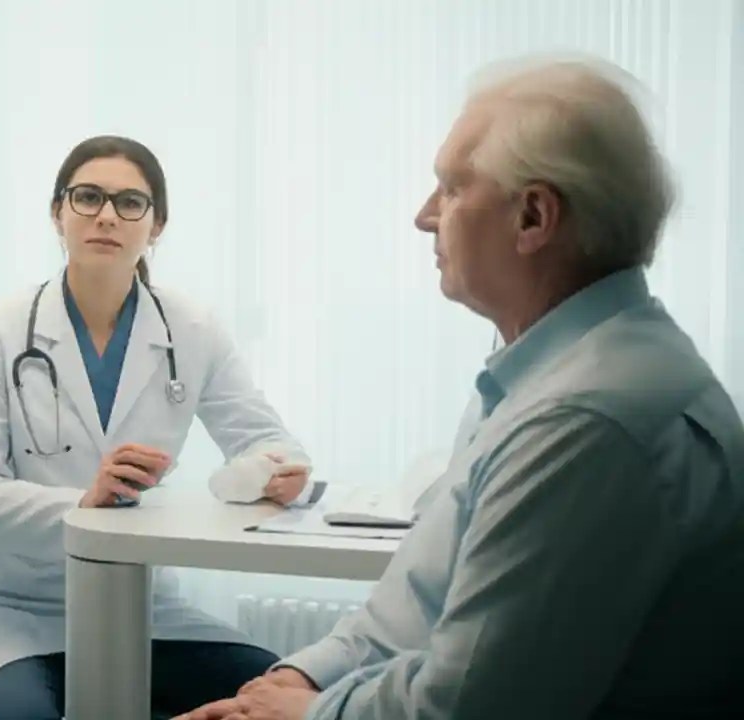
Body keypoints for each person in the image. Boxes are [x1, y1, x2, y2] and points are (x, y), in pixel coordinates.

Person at [179, 56, 744, 720]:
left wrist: (307, 714)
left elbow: (471, 706)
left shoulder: (586, 421)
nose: (424, 216)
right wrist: (301, 678)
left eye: (449, 188)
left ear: (533, 217)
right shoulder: (529, 377)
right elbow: (416, 601)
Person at [0, 135, 317, 718]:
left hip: (145, 608)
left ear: (156, 224)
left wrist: (272, 474)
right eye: (87, 197)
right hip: (8, 608)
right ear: (57, 213)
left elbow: (268, 441)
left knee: (270, 701)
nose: (107, 215)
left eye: (130, 203)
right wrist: (82, 501)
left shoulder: (192, 328)